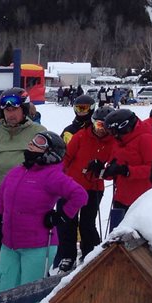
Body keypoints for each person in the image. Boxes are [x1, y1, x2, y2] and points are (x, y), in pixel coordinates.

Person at [0, 131, 86, 303]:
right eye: (33, 141)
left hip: (38, 244)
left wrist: (60, 215)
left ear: (50, 153)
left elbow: (80, 195)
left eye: (39, 143)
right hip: (10, 242)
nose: (32, 145)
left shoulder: (53, 175)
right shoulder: (16, 172)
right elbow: (2, 198)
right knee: (7, 288)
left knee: (30, 291)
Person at [0, 87, 46, 292]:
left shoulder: (38, 133)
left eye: (14, 109)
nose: (10, 114)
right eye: (6, 110)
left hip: (31, 207)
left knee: (30, 256)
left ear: (23, 109)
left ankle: (29, 299)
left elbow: (53, 166)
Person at [58, 106, 115, 270]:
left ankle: (91, 252)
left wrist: (102, 170)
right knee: (68, 221)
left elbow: (111, 172)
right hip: (72, 187)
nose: (101, 130)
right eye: (98, 125)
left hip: (94, 187)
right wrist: (60, 179)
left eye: (106, 126)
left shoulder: (112, 142)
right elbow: (66, 158)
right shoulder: (81, 136)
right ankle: (67, 255)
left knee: (87, 223)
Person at [100, 108, 152, 229]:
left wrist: (127, 171)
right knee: (116, 240)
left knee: (136, 242)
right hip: (121, 198)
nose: (113, 136)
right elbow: (113, 166)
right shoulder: (118, 142)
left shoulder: (146, 139)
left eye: (114, 132)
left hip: (141, 201)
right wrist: (103, 171)